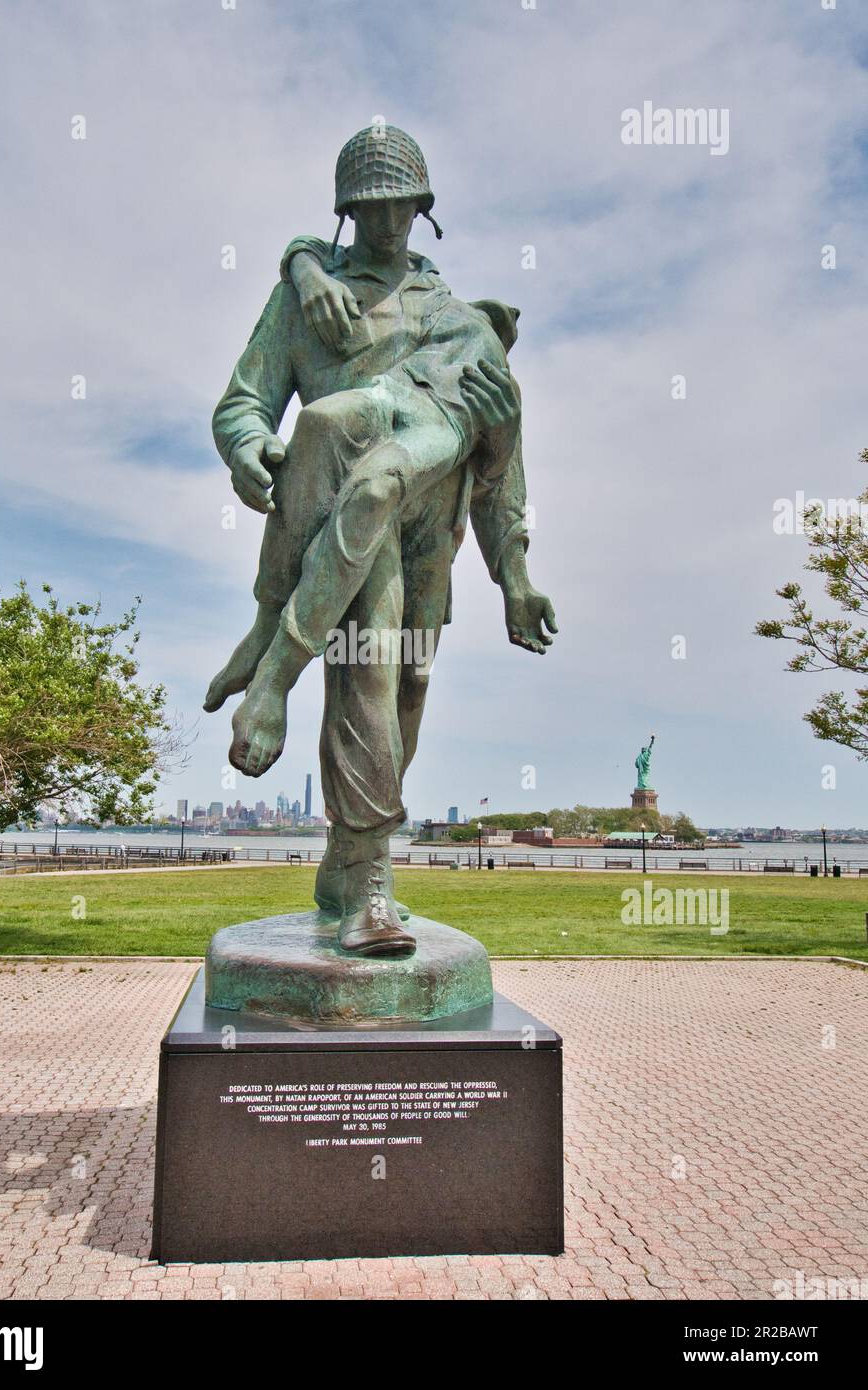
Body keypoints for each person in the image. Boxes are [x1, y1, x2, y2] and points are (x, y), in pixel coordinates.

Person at [206, 126, 557, 956]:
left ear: (422, 208)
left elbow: (502, 463)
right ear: (346, 211)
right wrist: (250, 447)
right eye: (367, 207)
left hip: (430, 531)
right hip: (342, 513)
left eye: (399, 204)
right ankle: (370, 886)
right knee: (366, 670)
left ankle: (345, 858)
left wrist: (514, 573)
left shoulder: (456, 318)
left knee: (404, 692)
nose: (385, 220)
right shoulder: (307, 297)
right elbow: (243, 403)